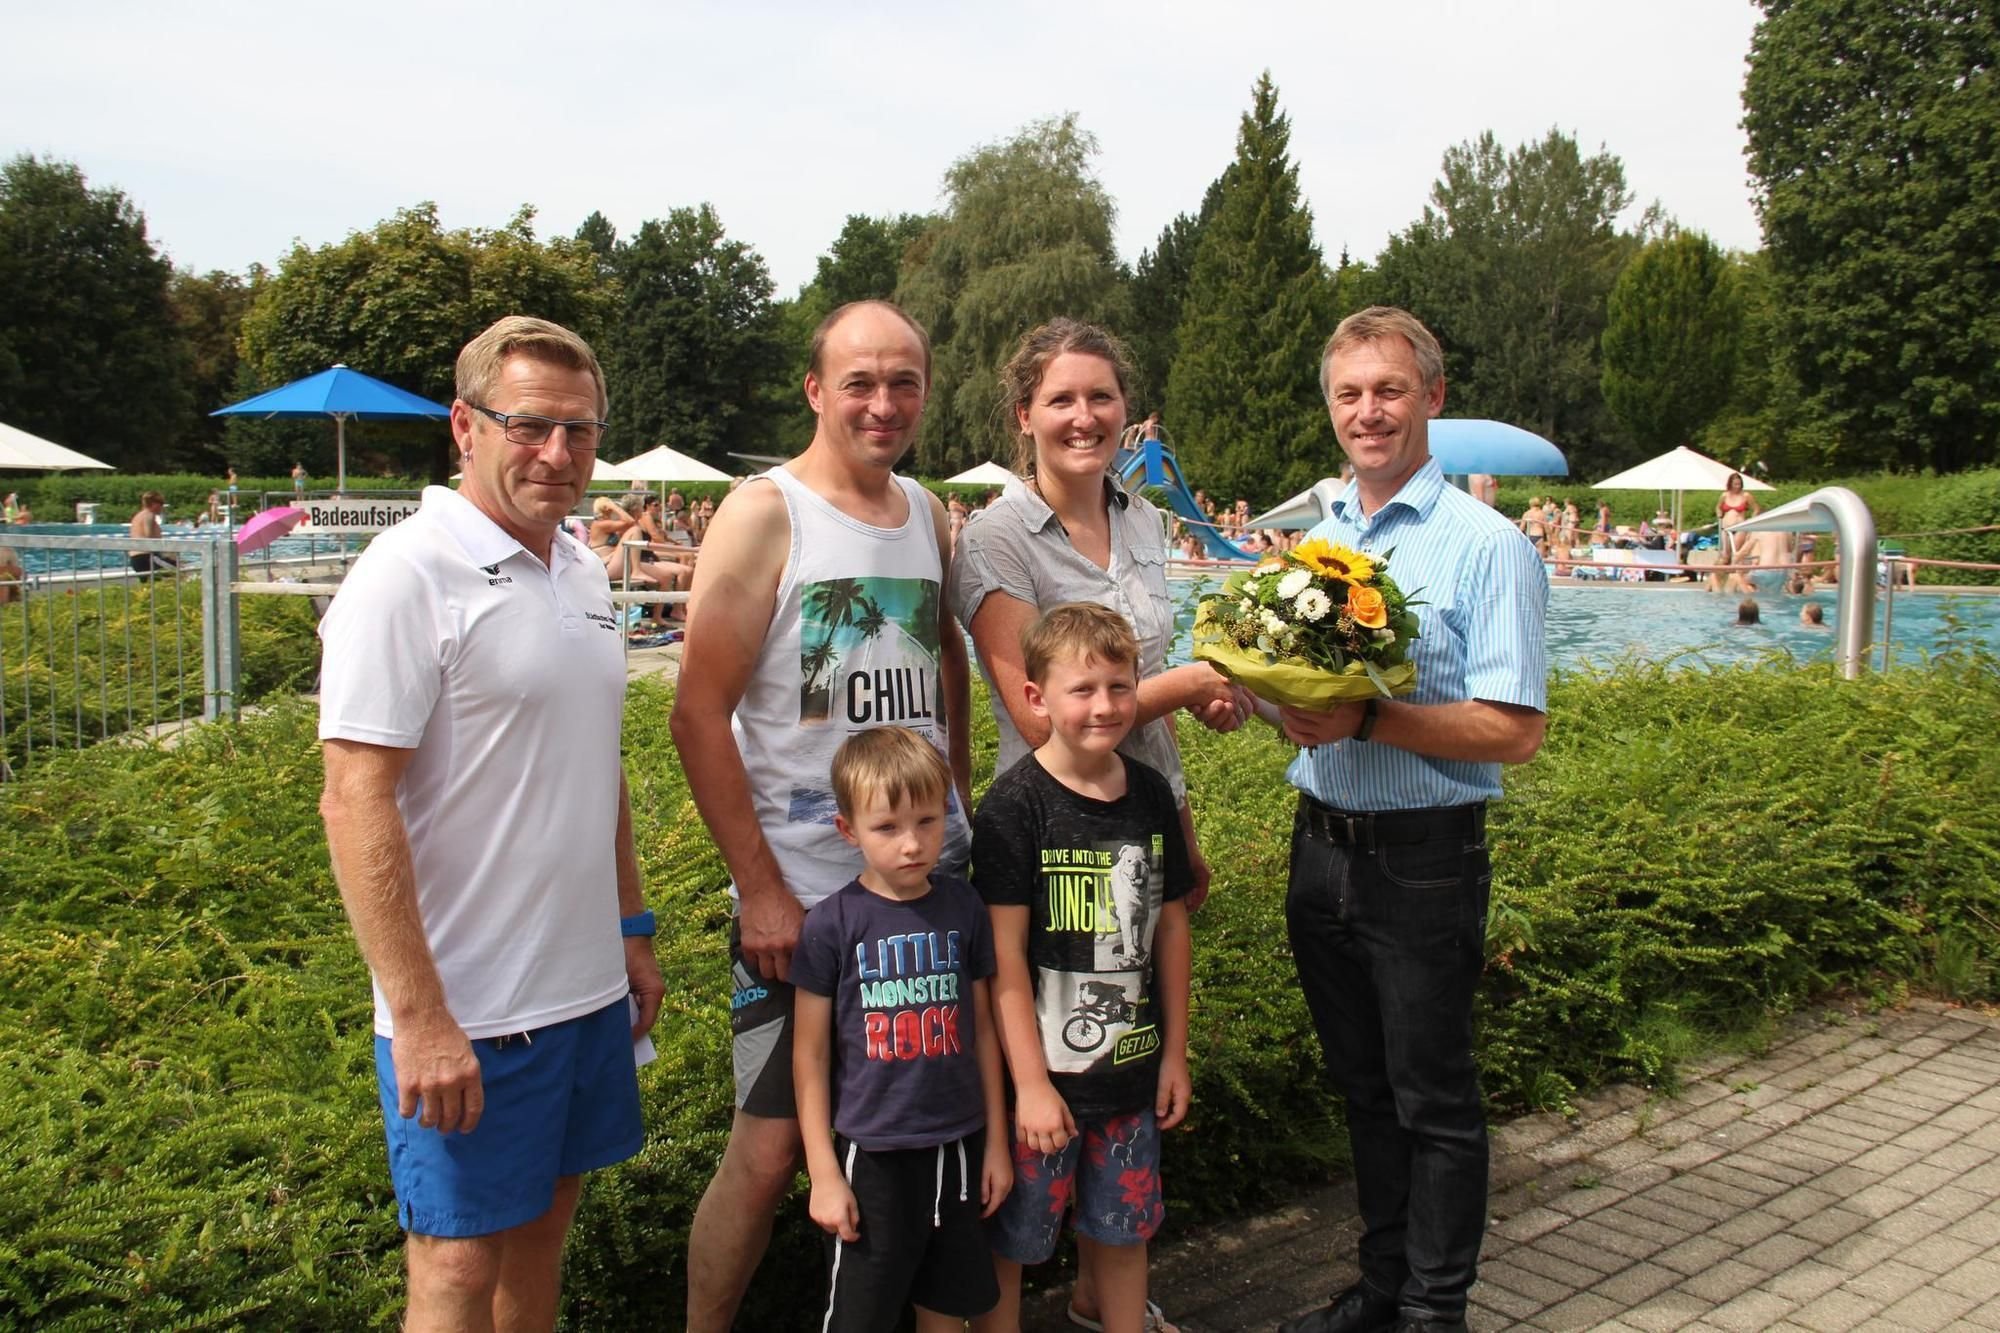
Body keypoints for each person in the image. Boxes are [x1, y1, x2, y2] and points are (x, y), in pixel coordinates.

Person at [317, 316, 661, 1333]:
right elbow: (353, 798)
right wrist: (419, 1015)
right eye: (529, 426)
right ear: (465, 426)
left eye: (579, 430)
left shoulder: (582, 570)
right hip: (467, 1004)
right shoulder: (407, 573)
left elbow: (597, 760)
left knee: (547, 1224)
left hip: (582, 986)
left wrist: (631, 927)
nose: (557, 453)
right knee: (458, 1261)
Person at [669, 300, 975, 1332]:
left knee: (926, 1143)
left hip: (923, 894)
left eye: (903, 382)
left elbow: (945, 658)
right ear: (815, 390)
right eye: (859, 382)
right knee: (765, 1155)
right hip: (801, 903)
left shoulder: (926, 512)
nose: (883, 403)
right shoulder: (767, 513)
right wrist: (759, 889)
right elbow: (696, 714)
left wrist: (958, 797)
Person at [1265, 308, 1548, 1333]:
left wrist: (1369, 718)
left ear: (1431, 394)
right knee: (1364, 1091)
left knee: (1432, 1099)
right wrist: (1261, 697)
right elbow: (1305, 695)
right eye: (1348, 393)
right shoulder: (1321, 540)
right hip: (1320, 848)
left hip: (1423, 862)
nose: (1368, 411)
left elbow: (1513, 729)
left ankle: (1433, 1310)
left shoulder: (1488, 546)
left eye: (1387, 389)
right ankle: (1382, 1287)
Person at [949, 318, 1242, 925]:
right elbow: (1040, 723)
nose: (1084, 417)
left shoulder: (1143, 520)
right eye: (1061, 400)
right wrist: (1188, 684)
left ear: (1124, 408)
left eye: (1101, 396)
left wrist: (1183, 834)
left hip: (1147, 817)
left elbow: (1150, 702)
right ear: (1024, 416)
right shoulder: (996, 540)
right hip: (1054, 833)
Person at [971, 604, 1193, 1333]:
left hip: (1131, 1077)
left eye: (1120, 686)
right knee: (1014, 1240)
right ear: (1037, 697)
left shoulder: (1151, 793)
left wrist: (1175, 1053)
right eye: (1084, 689)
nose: (1105, 706)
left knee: (1125, 1232)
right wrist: (1031, 1085)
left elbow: (1171, 927)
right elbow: (1003, 960)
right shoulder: (1014, 807)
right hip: (1043, 1090)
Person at [792, 727, 1010, 1333]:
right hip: (873, 1158)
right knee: (861, 1316)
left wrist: (995, 1143)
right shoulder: (831, 926)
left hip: (960, 1146)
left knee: (948, 1309)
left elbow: (983, 1032)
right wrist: (824, 1174)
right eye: (886, 827)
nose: (912, 844)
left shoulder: (963, 907)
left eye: (927, 821)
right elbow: (809, 1059)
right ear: (848, 829)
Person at [127, 492, 179, 574]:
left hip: (136, 558)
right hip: (147, 557)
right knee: (178, 572)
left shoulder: (138, 516)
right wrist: (168, 554)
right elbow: (150, 538)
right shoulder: (149, 515)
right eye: (161, 504)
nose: (162, 508)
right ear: (154, 504)